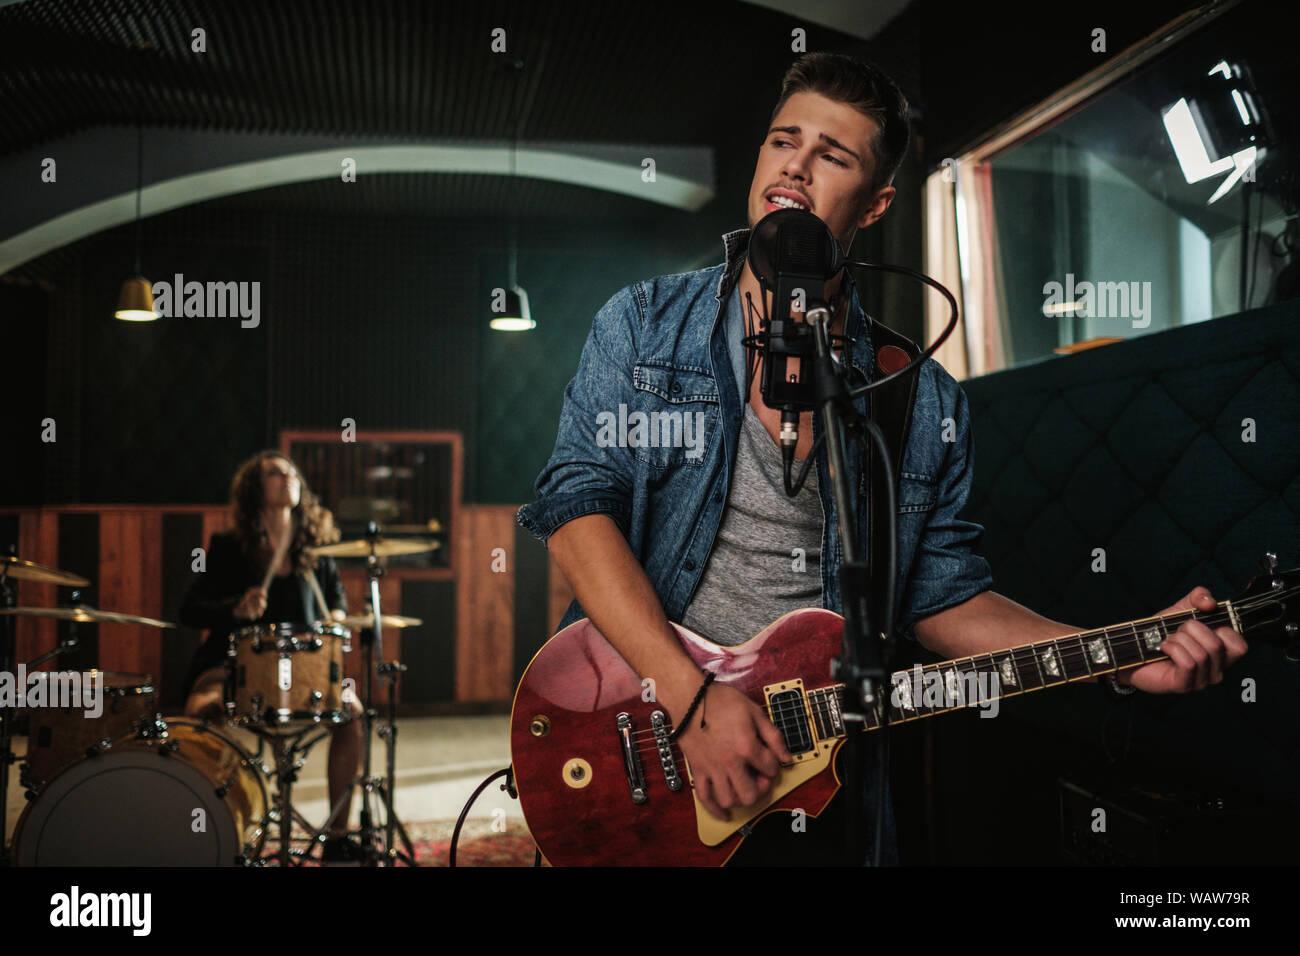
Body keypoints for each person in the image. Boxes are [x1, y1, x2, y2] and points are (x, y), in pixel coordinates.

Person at [517, 52, 1248, 864]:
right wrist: (693, 704)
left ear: (877, 202)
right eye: (782, 141)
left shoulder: (919, 396)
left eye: (832, 155)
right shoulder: (645, 322)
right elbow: (576, 512)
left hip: (820, 772)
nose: (795, 165)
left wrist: (1117, 657)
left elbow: (940, 598)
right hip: (635, 723)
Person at [179, 451, 365, 864]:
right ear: (254, 490)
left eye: (291, 472)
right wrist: (235, 608)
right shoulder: (229, 546)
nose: (288, 477)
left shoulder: (314, 548)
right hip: (232, 665)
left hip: (304, 672)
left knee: (352, 715)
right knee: (202, 711)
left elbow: (335, 599)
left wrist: (336, 617)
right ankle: (213, 824)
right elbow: (189, 609)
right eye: (275, 473)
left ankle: (337, 837)